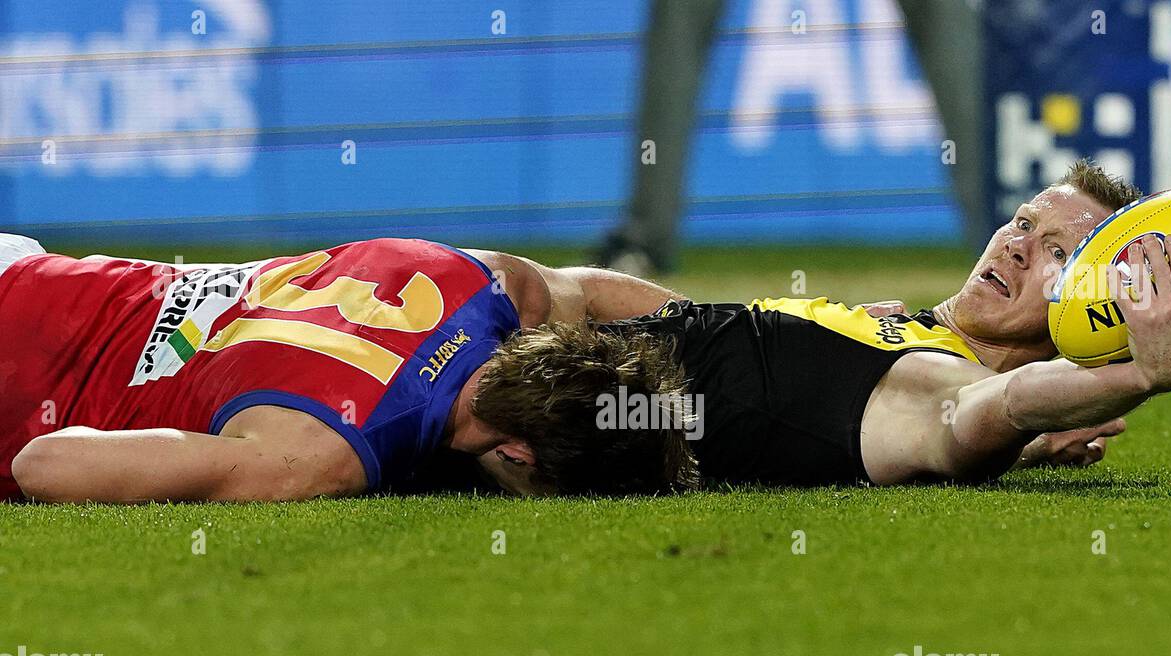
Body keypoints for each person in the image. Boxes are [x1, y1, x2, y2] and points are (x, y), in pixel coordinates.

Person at [593, 161, 1171, 486]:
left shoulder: (939, 382)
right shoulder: (891, 325)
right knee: (542, 290)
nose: (1016, 245)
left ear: (1095, 306)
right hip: (621, 351)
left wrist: (1142, 373)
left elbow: (989, 410)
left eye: (1059, 252)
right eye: (1023, 223)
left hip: (577, 404)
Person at [1, 237, 696, 502]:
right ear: (518, 451)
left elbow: (594, 289)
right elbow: (44, 463)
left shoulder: (491, 283)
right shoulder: (321, 454)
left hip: (31, 265)